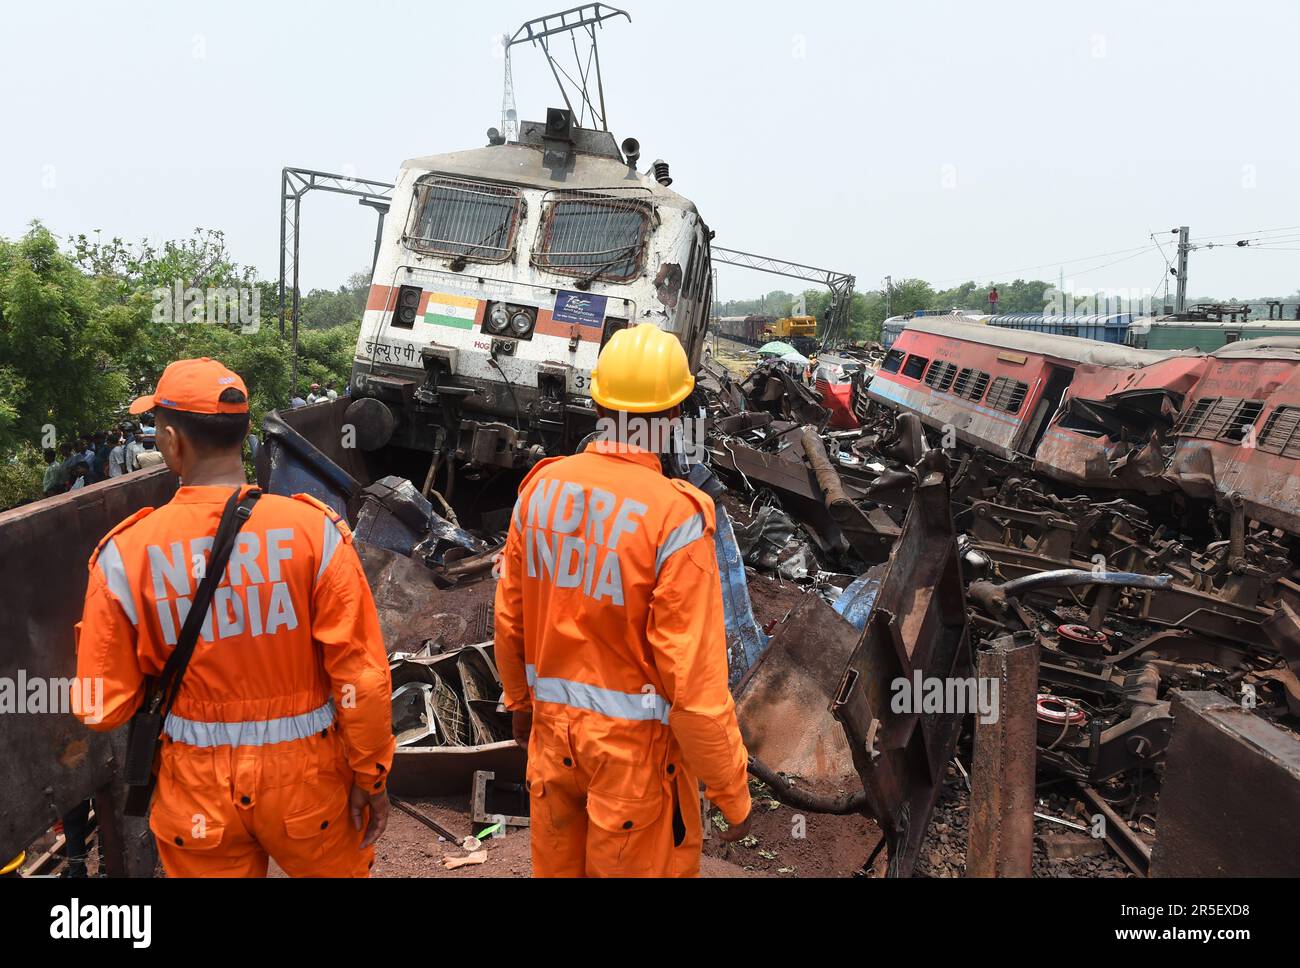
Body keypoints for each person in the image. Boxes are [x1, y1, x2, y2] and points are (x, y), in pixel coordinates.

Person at [73, 357, 394, 878]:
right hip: (307, 786)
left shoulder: (124, 555)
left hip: (196, 794)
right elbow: (362, 677)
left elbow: (100, 708)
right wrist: (371, 775)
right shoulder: (316, 534)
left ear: (173, 441)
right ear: (244, 435)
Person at [494, 324, 752, 878]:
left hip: (552, 744)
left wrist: (518, 703)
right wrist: (731, 791)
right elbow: (695, 684)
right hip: (633, 765)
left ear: (597, 405)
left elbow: (510, 618)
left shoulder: (541, 491)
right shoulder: (676, 518)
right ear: (674, 415)